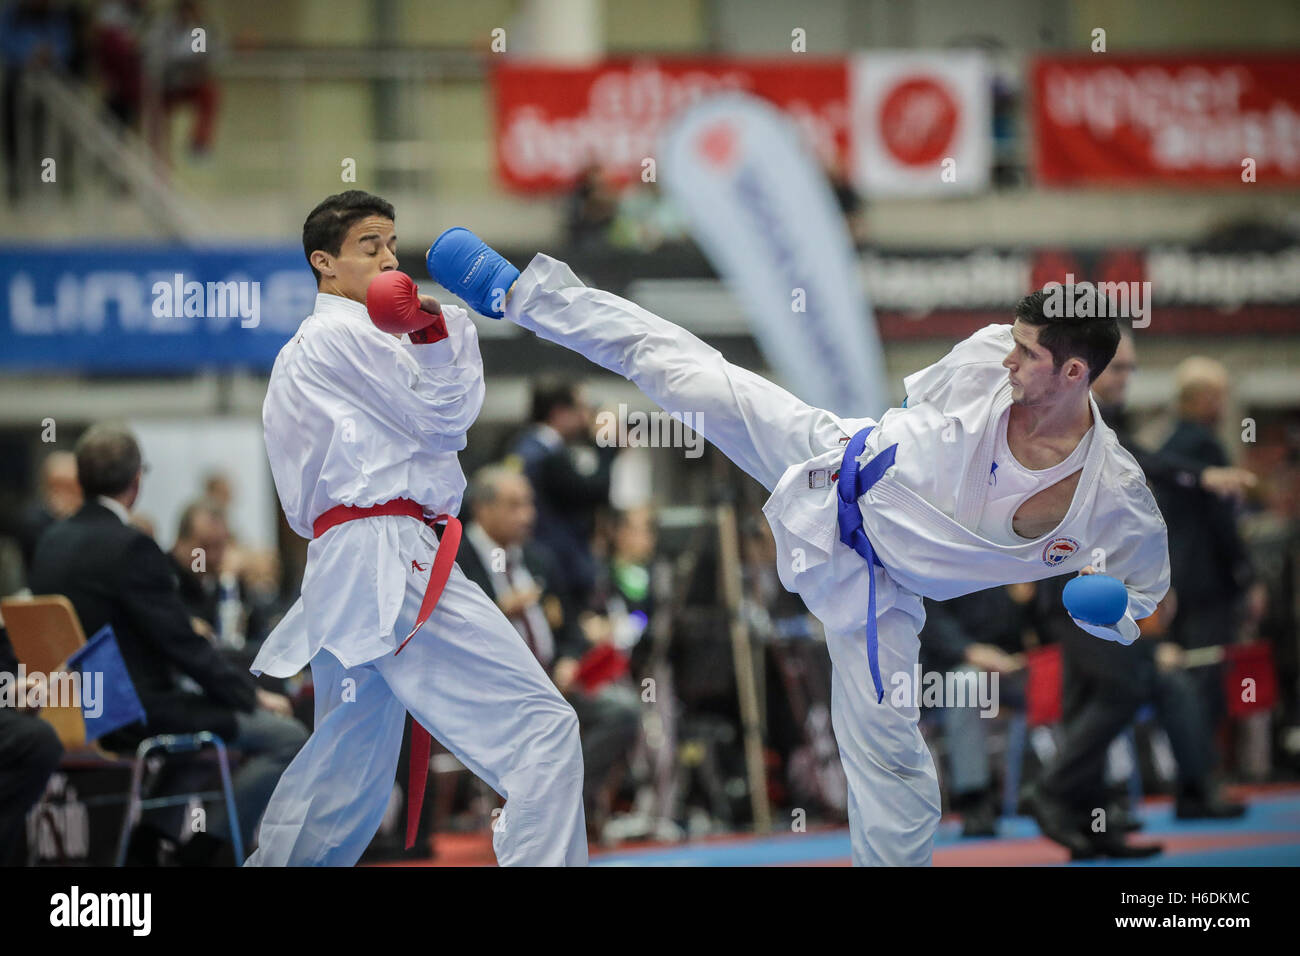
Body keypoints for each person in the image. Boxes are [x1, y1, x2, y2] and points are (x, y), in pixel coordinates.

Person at [427, 231, 1170, 866]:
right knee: (686, 372)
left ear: (1076, 374)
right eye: (1012, 343)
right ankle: (519, 293)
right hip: (838, 458)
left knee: (891, 753)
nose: (1008, 360)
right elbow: (914, 409)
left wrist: (1104, 607)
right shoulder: (984, 357)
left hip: (882, 590)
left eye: (1029, 354)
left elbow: (1144, 597)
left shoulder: (1115, 494)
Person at [245, 191, 586, 867]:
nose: (389, 258)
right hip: (386, 552)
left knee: (346, 774)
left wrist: (428, 336)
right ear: (325, 263)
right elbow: (442, 424)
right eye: (370, 246)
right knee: (542, 729)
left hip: (348, 564)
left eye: (392, 244)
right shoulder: (337, 337)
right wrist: (433, 336)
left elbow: (441, 420)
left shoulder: (312, 350)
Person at [27, 424, 307, 862]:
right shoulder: (132, 547)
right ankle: (206, 854)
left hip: (67, 711)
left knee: (193, 750)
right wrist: (250, 696)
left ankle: (148, 846)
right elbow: (182, 647)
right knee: (286, 736)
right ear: (136, 481)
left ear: (81, 479)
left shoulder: (48, 543)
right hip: (127, 714)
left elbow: (103, 626)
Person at [1027, 329, 1246, 859]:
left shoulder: (1096, 421)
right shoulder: (1070, 418)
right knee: (1129, 684)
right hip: (1075, 588)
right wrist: (1204, 476)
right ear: (1089, 368)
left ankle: (1091, 823)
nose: (1126, 379)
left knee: (1092, 698)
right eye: (1118, 369)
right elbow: (1145, 462)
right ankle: (1053, 791)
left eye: (1130, 369)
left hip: (1093, 585)